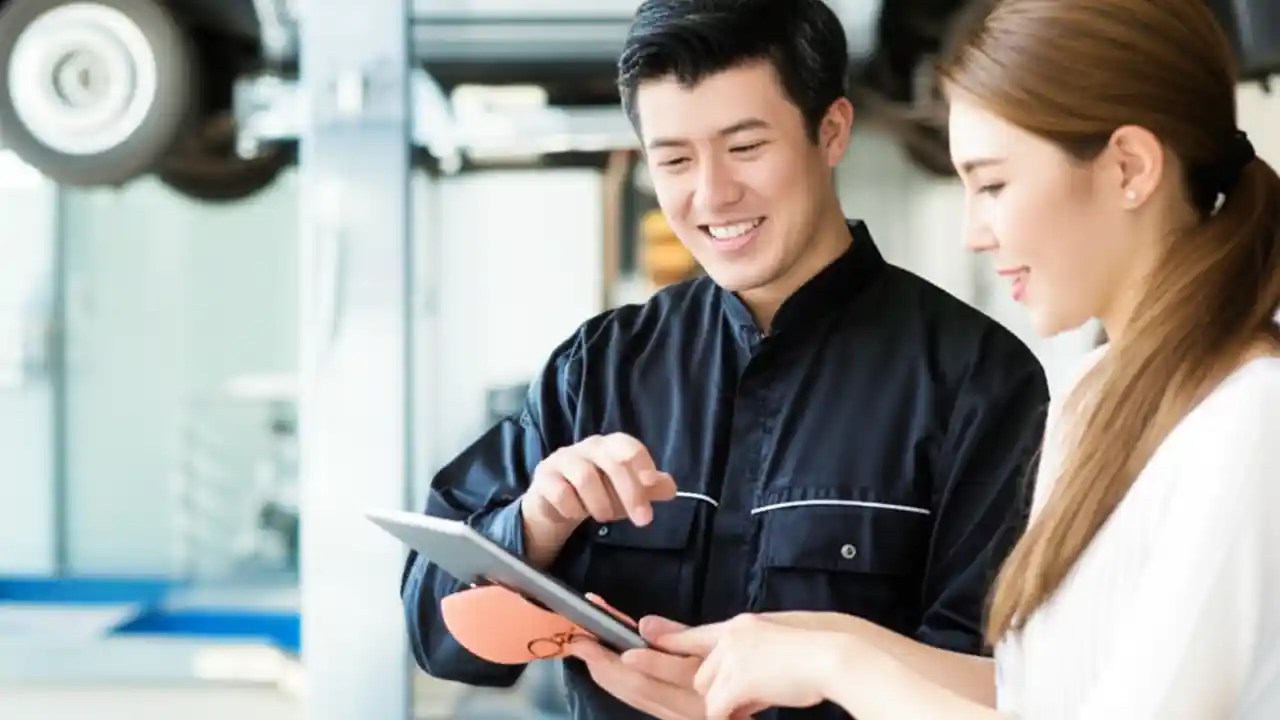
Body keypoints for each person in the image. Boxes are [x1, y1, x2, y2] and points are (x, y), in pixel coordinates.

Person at [399, 0, 1050, 718]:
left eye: (745, 148)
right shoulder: (598, 367)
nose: (711, 194)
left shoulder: (978, 384)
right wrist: (537, 523)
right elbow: (435, 635)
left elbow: (1003, 688)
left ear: (830, 131)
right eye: (674, 159)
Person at [639, 0, 1280, 717]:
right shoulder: (1092, 393)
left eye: (995, 184)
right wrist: (806, 644)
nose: (974, 233)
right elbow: (1041, 697)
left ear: (1129, 166)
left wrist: (841, 662)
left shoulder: (1248, 418)